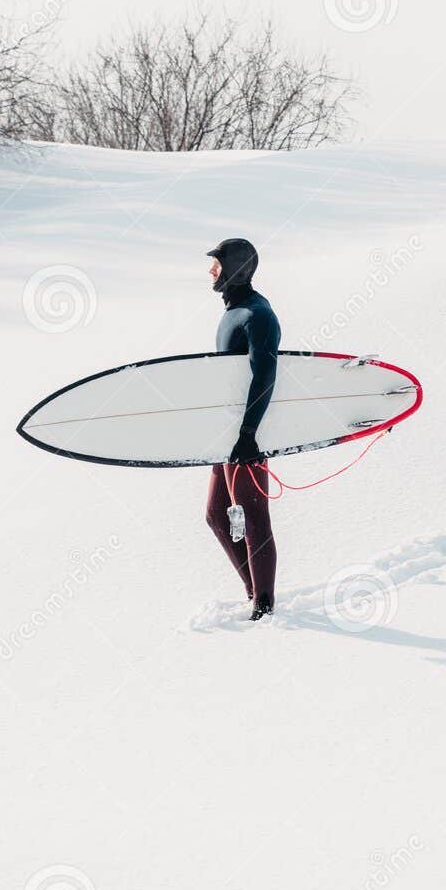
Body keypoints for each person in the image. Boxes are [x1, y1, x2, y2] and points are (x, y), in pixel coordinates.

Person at [202, 237, 281, 621]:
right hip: (226, 433)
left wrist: (249, 435)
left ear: (235, 267)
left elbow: (265, 375)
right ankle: (254, 591)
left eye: (216, 263)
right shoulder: (233, 311)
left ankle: (264, 607)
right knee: (217, 515)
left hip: (248, 435)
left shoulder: (258, 315)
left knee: (251, 514)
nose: (210, 271)